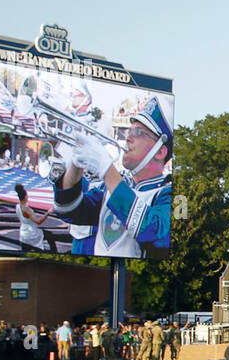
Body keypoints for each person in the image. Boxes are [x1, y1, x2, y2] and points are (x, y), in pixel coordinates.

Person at [52, 97, 173, 258]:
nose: (128, 137)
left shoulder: (168, 194)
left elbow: (156, 232)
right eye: (129, 131)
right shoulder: (113, 186)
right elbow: (68, 211)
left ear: (160, 151)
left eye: (138, 133)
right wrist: (76, 162)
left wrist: (107, 169)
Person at [11, 183, 51, 252]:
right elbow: (38, 222)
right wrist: (47, 213)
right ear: (26, 196)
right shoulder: (27, 209)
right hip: (31, 234)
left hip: (23, 233)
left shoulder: (17, 206)